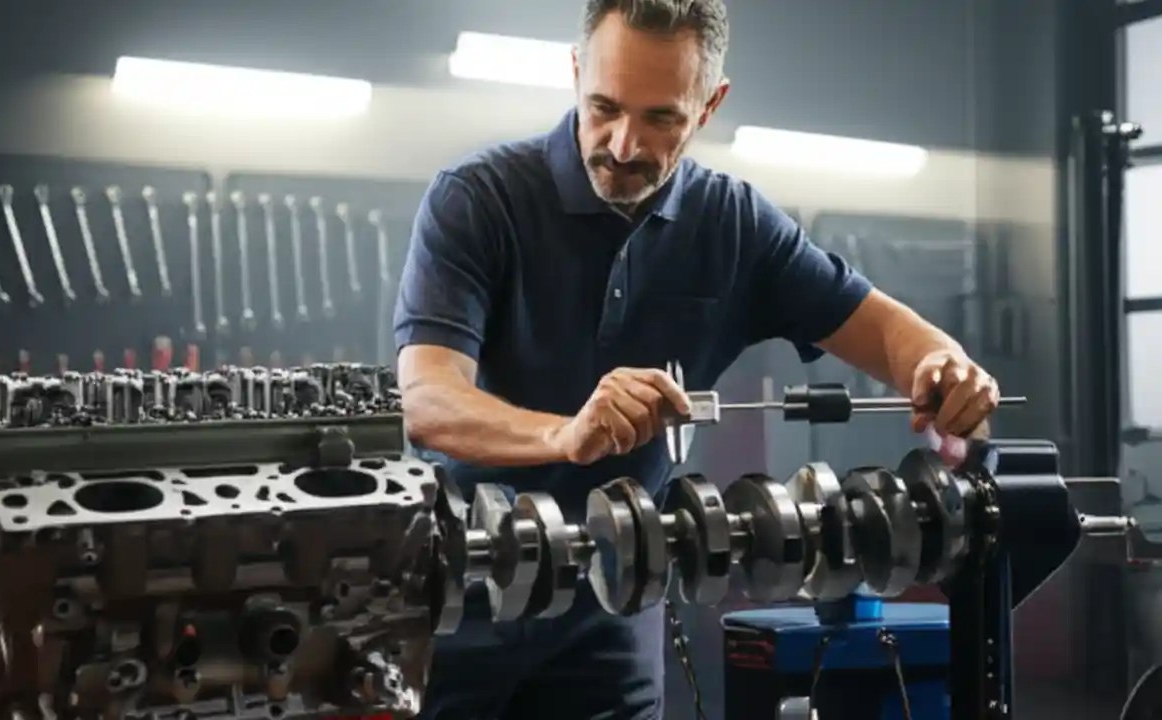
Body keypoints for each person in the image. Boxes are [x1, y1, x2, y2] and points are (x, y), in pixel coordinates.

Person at [392, 0, 1002, 717]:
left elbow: (893, 336)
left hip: (613, 605)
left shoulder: (736, 226)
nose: (622, 145)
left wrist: (943, 364)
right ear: (574, 72)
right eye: (604, 107)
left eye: (661, 119)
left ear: (710, 104)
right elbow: (427, 401)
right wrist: (564, 434)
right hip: (459, 593)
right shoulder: (478, 199)